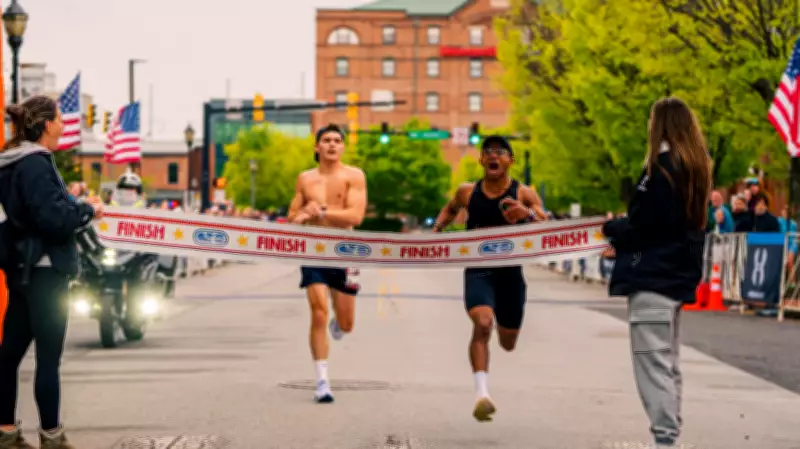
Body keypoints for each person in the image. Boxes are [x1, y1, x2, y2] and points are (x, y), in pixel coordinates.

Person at [602, 97, 712, 449]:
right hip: (676, 276)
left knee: (652, 363)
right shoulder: (694, 170)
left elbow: (643, 225)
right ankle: (670, 434)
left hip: (652, 276)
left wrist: (613, 230)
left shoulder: (660, 171)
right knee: (668, 362)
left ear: (660, 125)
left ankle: (665, 440)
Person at [0, 95, 104, 449]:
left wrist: (74, 206)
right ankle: (52, 437)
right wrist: (87, 211)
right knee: (47, 360)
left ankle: (7, 433)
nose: (63, 124)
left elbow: (29, 213)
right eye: (59, 119)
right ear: (46, 125)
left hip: (20, 270)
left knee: (8, 357)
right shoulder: (37, 164)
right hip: (46, 273)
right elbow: (53, 219)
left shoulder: (10, 165)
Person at [430, 135, 546, 422]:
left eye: (501, 152)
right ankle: (482, 394)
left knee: (508, 342)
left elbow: (548, 225)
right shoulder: (468, 192)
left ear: (510, 160)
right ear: (482, 160)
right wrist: (439, 227)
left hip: (511, 276)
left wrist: (527, 215)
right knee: (483, 324)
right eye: (488, 152)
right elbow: (450, 208)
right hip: (479, 271)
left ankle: (501, 347)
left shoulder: (524, 193)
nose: (494, 156)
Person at [287, 124, 367, 404]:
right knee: (319, 312)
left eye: (337, 140)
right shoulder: (305, 179)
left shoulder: (354, 176)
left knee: (346, 324)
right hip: (314, 251)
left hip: (346, 252)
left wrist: (320, 211)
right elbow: (292, 217)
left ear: (343, 147)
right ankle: (322, 381)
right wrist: (303, 217)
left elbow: (355, 217)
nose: (332, 144)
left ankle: (340, 328)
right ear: (316, 147)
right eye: (326, 140)